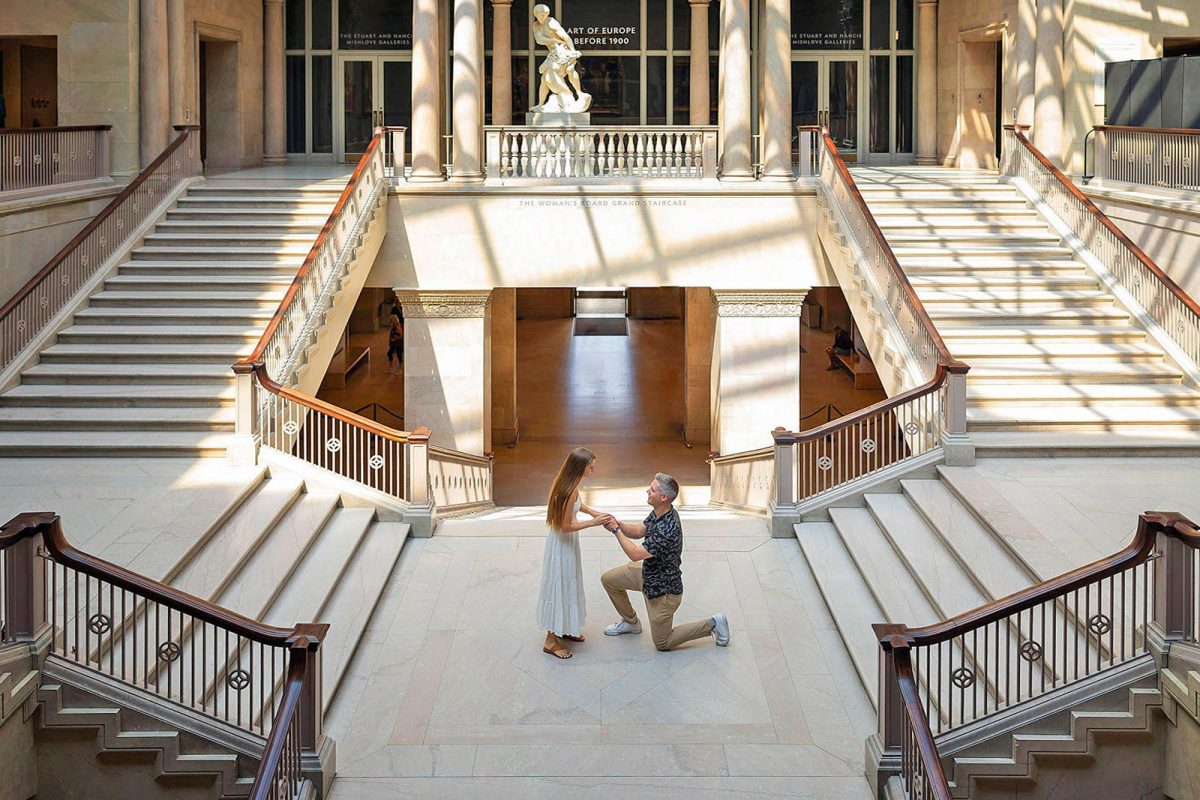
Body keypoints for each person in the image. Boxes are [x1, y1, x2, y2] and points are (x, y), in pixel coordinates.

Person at [600, 473, 730, 651]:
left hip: (663, 591)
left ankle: (714, 623)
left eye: (652, 490)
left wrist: (615, 530)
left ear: (663, 497)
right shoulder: (660, 511)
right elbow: (638, 530)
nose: (647, 491)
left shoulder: (667, 529)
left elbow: (636, 554)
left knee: (662, 643)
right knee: (609, 580)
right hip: (646, 573)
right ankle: (631, 623)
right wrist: (619, 523)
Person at [537, 447, 615, 660]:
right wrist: (594, 522)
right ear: (580, 467)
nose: (593, 471)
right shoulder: (568, 489)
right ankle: (551, 640)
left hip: (564, 544)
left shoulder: (568, 484)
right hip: (562, 544)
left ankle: (566, 628)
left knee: (568, 583)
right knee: (560, 585)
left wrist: (593, 512)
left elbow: (576, 505)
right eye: (591, 467)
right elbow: (565, 526)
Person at [531, 3, 589, 111]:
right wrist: (553, 40)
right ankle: (540, 103)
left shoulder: (551, 22)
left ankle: (579, 93)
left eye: (544, 14)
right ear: (535, 14)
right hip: (554, 52)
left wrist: (572, 51)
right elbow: (539, 39)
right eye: (540, 14)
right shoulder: (536, 25)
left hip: (564, 49)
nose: (543, 16)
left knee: (570, 69)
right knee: (544, 78)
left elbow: (565, 37)